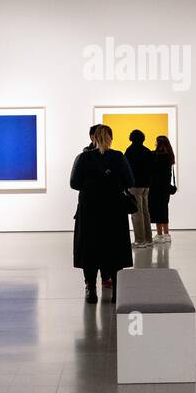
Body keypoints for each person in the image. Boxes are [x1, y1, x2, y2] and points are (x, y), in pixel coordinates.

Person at [71, 124, 135, 304]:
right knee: (114, 249)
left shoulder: (83, 158)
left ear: (93, 138)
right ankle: (115, 290)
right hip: (114, 210)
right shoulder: (118, 157)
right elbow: (130, 180)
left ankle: (91, 289)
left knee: (89, 249)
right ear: (111, 138)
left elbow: (74, 183)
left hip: (89, 209)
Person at [124, 129, 155, 248]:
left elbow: (126, 169)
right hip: (146, 185)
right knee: (145, 211)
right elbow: (152, 168)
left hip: (135, 185)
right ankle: (148, 239)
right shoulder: (147, 151)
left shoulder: (130, 151)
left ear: (131, 138)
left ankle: (140, 240)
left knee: (137, 213)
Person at [149, 135, 175, 244]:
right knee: (164, 209)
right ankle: (167, 234)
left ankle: (159, 234)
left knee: (157, 210)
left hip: (155, 187)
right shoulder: (169, 156)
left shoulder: (155, 155)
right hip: (165, 187)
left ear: (158, 143)